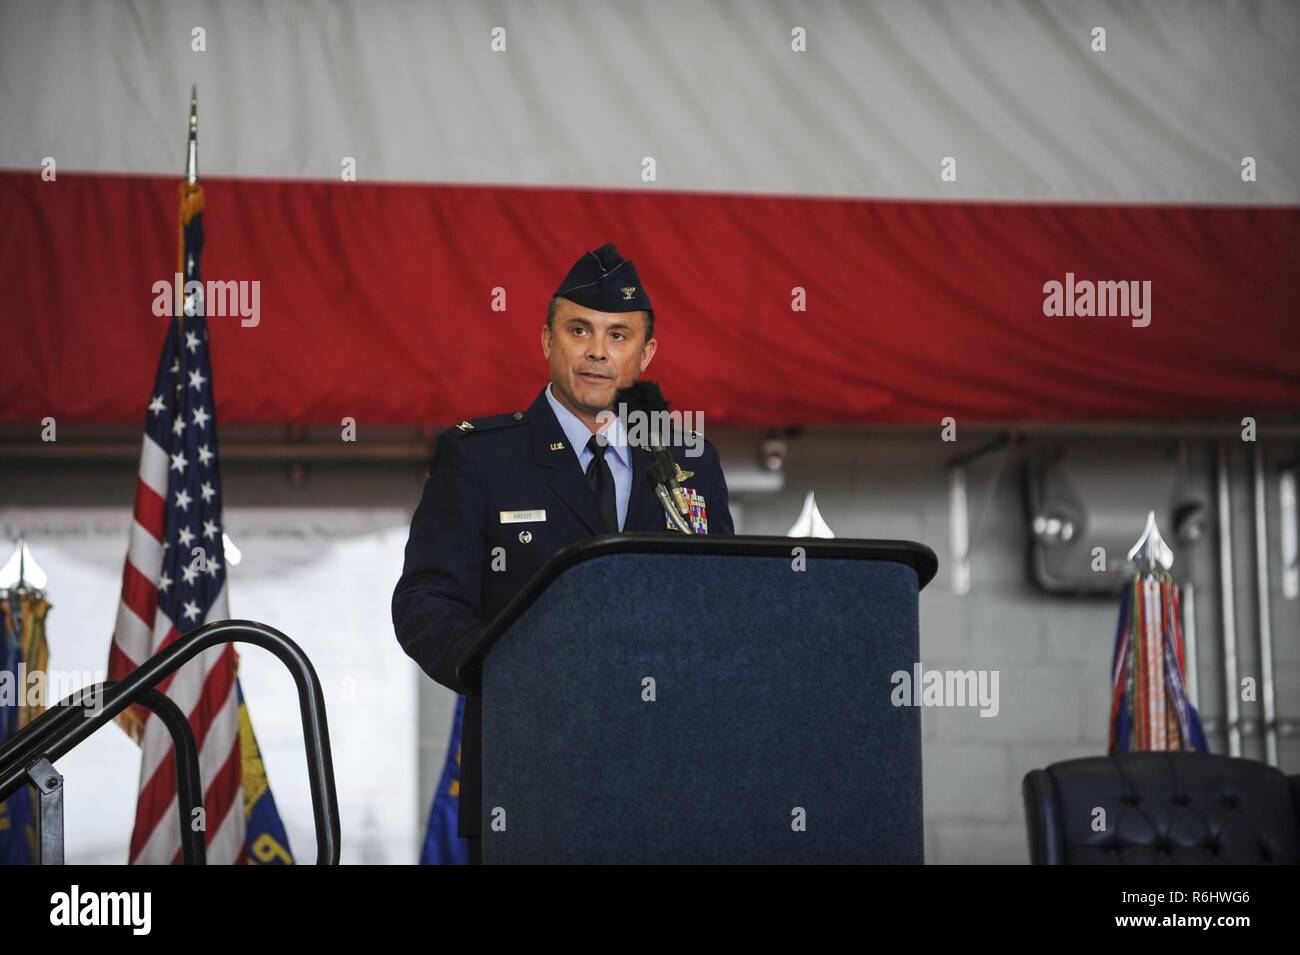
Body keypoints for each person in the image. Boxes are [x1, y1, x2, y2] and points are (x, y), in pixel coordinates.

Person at [392, 243, 734, 863]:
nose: (599, 351)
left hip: (669, 778)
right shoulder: (481, 457)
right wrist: (506, 672)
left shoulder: (687, 461)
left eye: (619, 335)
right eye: (579, 330)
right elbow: (425, 600)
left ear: (644, 354)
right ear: (546, 340)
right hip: (530, 769)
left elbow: (724, 602)